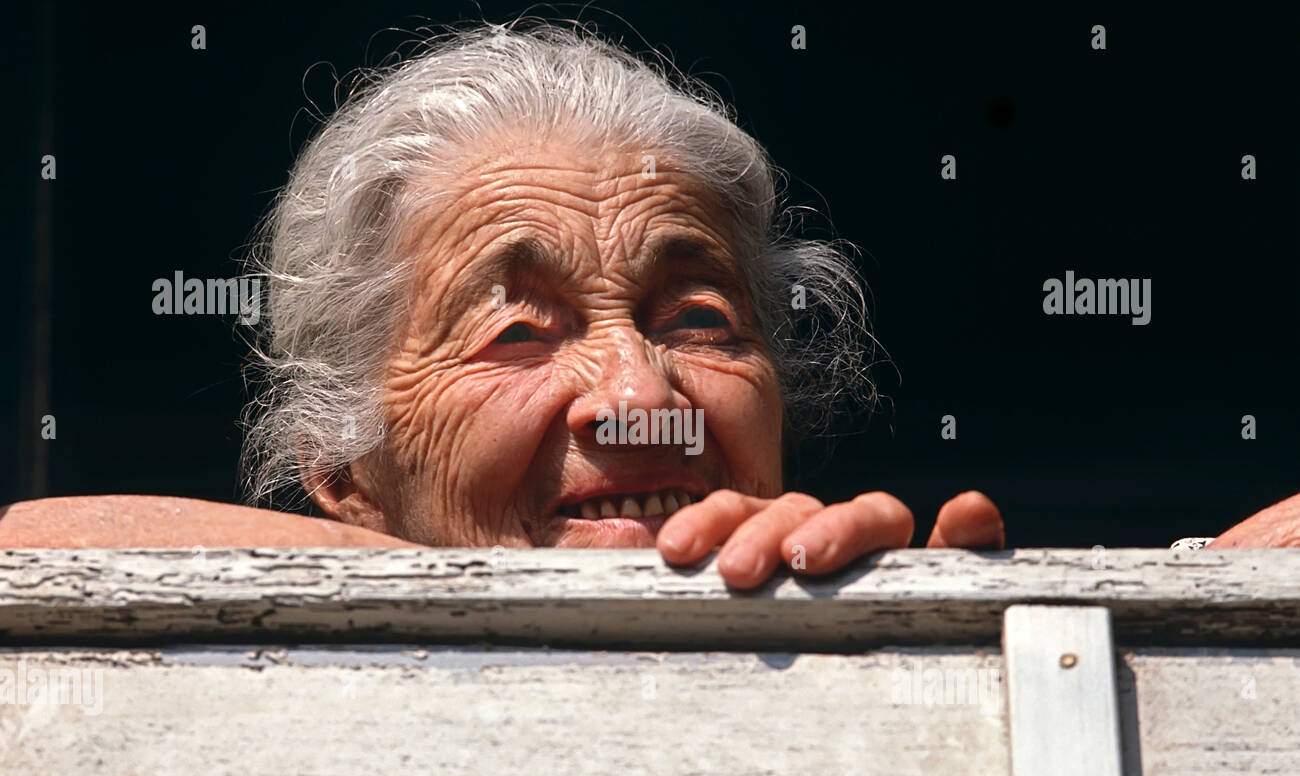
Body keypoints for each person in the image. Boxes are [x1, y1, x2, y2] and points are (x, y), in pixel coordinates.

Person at [8, 24, 1278, 587]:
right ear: (345, 464)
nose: (640, 403)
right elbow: (34, 553)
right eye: (517, 329)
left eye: (698, 322)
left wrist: (962, 648)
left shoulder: (867, 610)